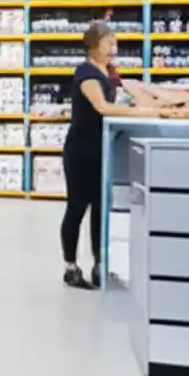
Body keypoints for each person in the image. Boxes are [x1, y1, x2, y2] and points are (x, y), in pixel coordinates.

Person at [61, 22, 158, 290]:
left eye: (114, 44)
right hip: (81, 151)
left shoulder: (110, 71)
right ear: (94, 46)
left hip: (101, 148)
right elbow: (103, 107)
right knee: (77, 206)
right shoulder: (87, 73)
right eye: (108, 44)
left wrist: (162, 100)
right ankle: (70, 266)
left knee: (101, 209)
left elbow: (133, 90)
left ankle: (100, 265)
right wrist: (143, 113)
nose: (113, 49)